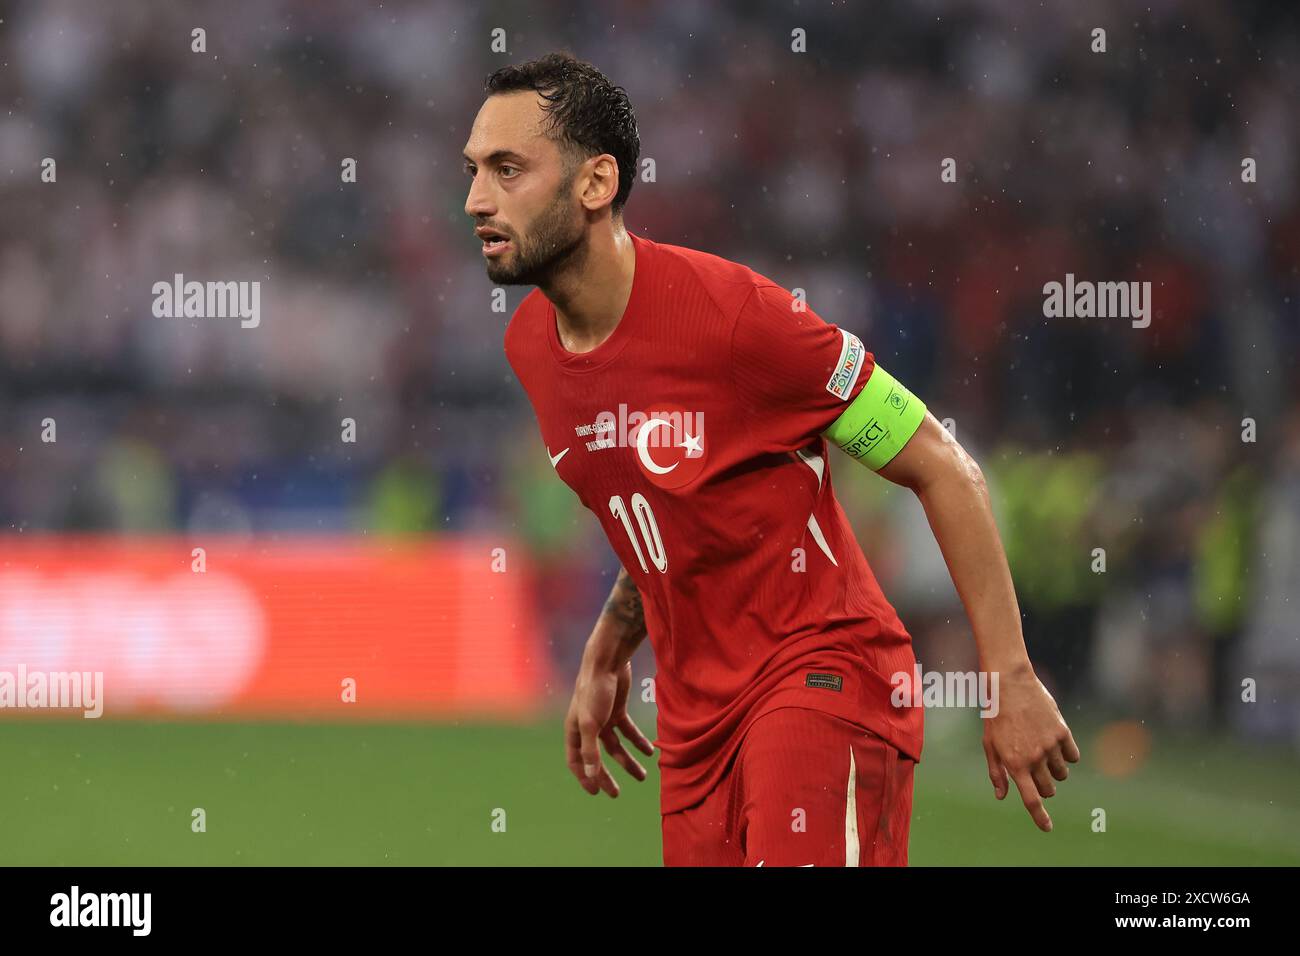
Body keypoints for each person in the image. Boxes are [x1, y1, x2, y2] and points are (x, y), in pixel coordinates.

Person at [463, 51, 1078, 866]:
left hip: (822, 678)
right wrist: (610, 646)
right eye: (473, 170)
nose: (475, 200)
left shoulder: (738, 320)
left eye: (508, 170)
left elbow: (939, 461)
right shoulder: (530, 348)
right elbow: (672, 515)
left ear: (595, 184)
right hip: (694, 730)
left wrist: (1009, 674)